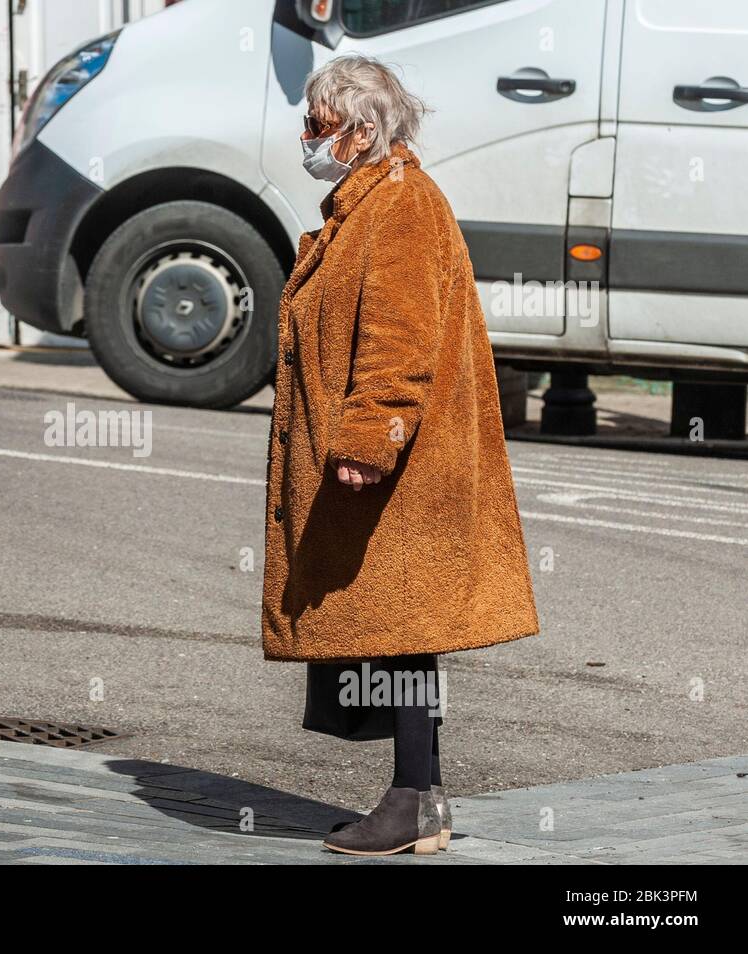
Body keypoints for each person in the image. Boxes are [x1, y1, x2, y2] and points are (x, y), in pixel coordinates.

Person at [260, 53, 540, 856]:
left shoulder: (400, 208)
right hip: (397, 465)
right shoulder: (369, 205)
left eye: (317, 124)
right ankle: (424, 803)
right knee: (398, 629)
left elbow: (401, 340)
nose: (306, 137)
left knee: (405, 628)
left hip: (401, 469)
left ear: (360, 130)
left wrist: (369, 439)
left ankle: (411, 797)